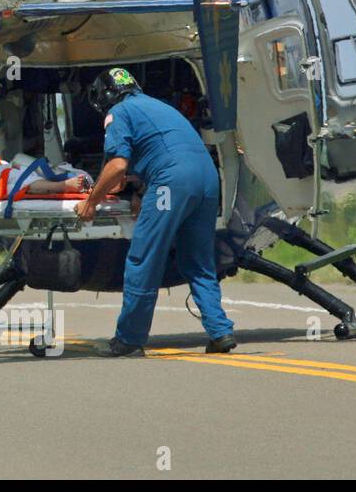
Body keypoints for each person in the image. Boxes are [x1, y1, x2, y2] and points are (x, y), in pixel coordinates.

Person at [75, 67, 236, 356]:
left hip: (172, 181)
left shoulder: (119, 112)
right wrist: (140, 192)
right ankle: (220, 331)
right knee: (198, 262)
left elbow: (117, 166)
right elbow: (160, 152)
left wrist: (91, 201)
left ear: (104, 98)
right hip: (208, 180)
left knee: (144, 257)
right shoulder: (157, 106)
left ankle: (129, 340)